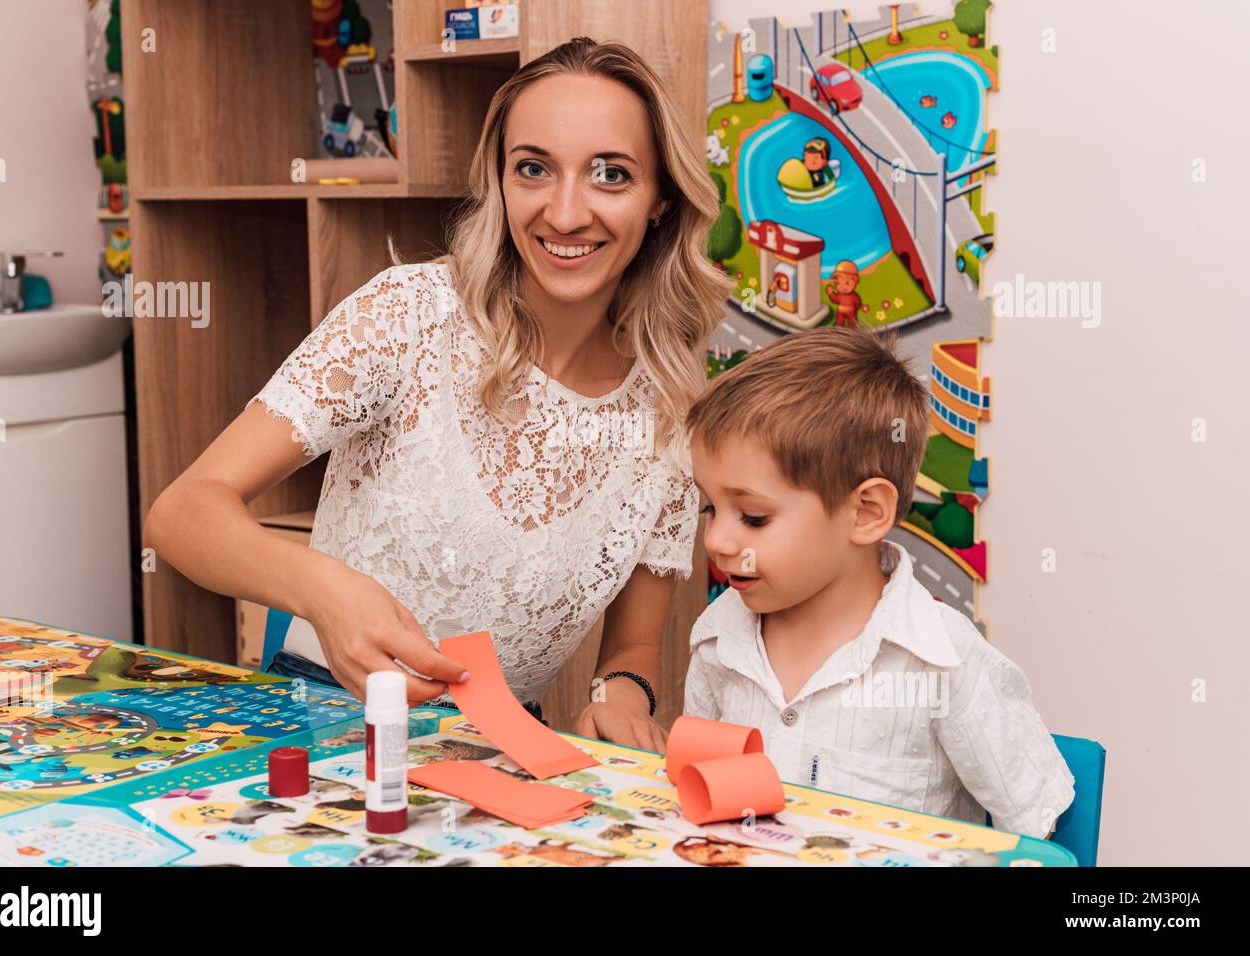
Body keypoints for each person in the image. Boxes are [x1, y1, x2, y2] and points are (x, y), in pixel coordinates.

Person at [143, 38, 732, 750]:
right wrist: (323, 589)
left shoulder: (669, 417)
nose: (566, 212)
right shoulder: (408, 316)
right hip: (318, 727)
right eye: (534, 169)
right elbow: (182, 512)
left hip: (502, 754)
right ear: (501, 180)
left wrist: (621, 697)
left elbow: (634, 652)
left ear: (661, 198)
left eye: (610, 174)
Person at [681, 328, 1074, 838]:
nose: (717, 540)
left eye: (752, 517)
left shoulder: (944, 660)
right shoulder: (718, 638)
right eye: (711, 508)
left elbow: (1035, 826)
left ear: (865, 512)